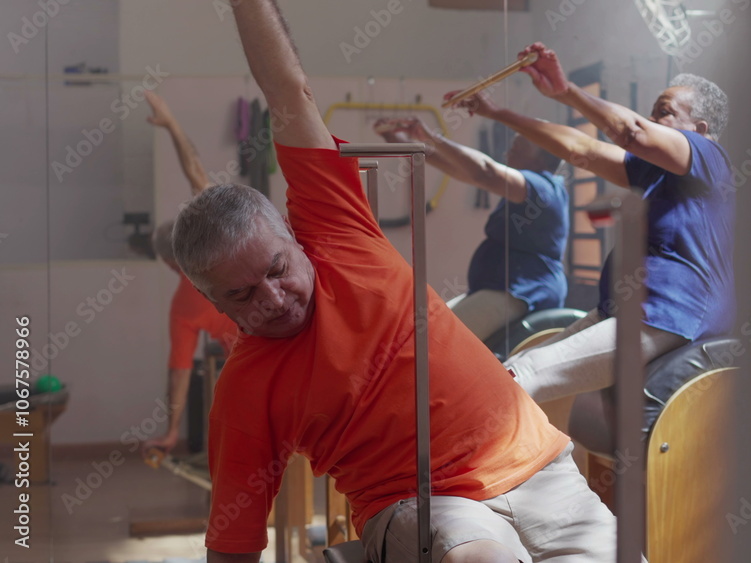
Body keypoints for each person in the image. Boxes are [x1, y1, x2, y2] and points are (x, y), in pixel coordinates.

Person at [171, 3, 619, 562]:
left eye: (277, 270)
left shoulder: (336, 229)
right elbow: (233, 545)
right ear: (215, 304)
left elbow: (288, 91)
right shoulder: (246, 390)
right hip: (421, 502)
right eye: (241, 295)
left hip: (538, 465)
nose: (273, 298)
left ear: (292, 237)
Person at [448, 43, 735, 404]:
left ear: (700, 129)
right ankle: (549, 462)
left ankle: (474, 458)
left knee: (523, 373)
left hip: (677, 313)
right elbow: (581, 150)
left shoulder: (710, 158)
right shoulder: (654, 173)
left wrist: (566, 91)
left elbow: (633, 132)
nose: (652, 121)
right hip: (630, 307)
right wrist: (498, 113)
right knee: (518, 365)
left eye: (663, 113)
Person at [374, 117, 569, 340]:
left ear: (540, 159)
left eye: (518, 147)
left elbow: (485, 171)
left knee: (434, 339)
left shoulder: (543, 187)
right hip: (501, 286)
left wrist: (432, 137)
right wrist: (403, 143)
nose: (508, 152)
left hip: (526, 291)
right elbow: (460, 170)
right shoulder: (527, 188)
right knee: (423, 326)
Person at [142, 91, 239, 454]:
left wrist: (171, 433)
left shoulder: (184, 304)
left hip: (259, 358)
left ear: (170, 263)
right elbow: (196, 172)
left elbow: (179, 373)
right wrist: (173, 125)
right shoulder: (219, 237)